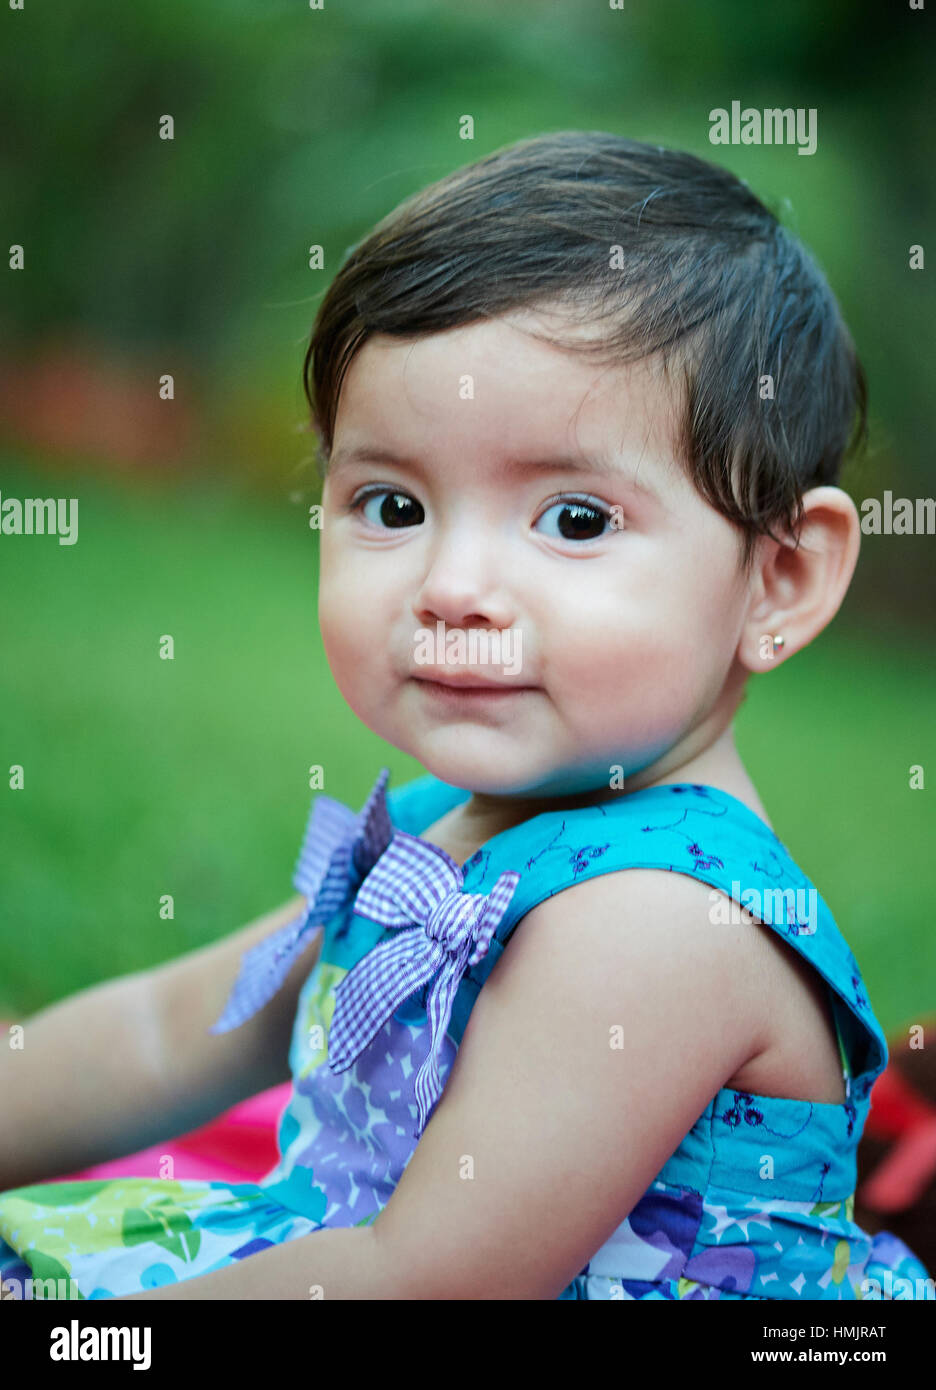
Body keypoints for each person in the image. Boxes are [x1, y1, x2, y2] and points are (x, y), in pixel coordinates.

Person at [1, 131, 931, 1301]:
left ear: (780, 581)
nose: (452, 586)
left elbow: (419, 1281)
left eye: (576, 519)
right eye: (391, 503)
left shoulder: (655, 924)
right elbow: (169, 1028)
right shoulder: (449, 824)